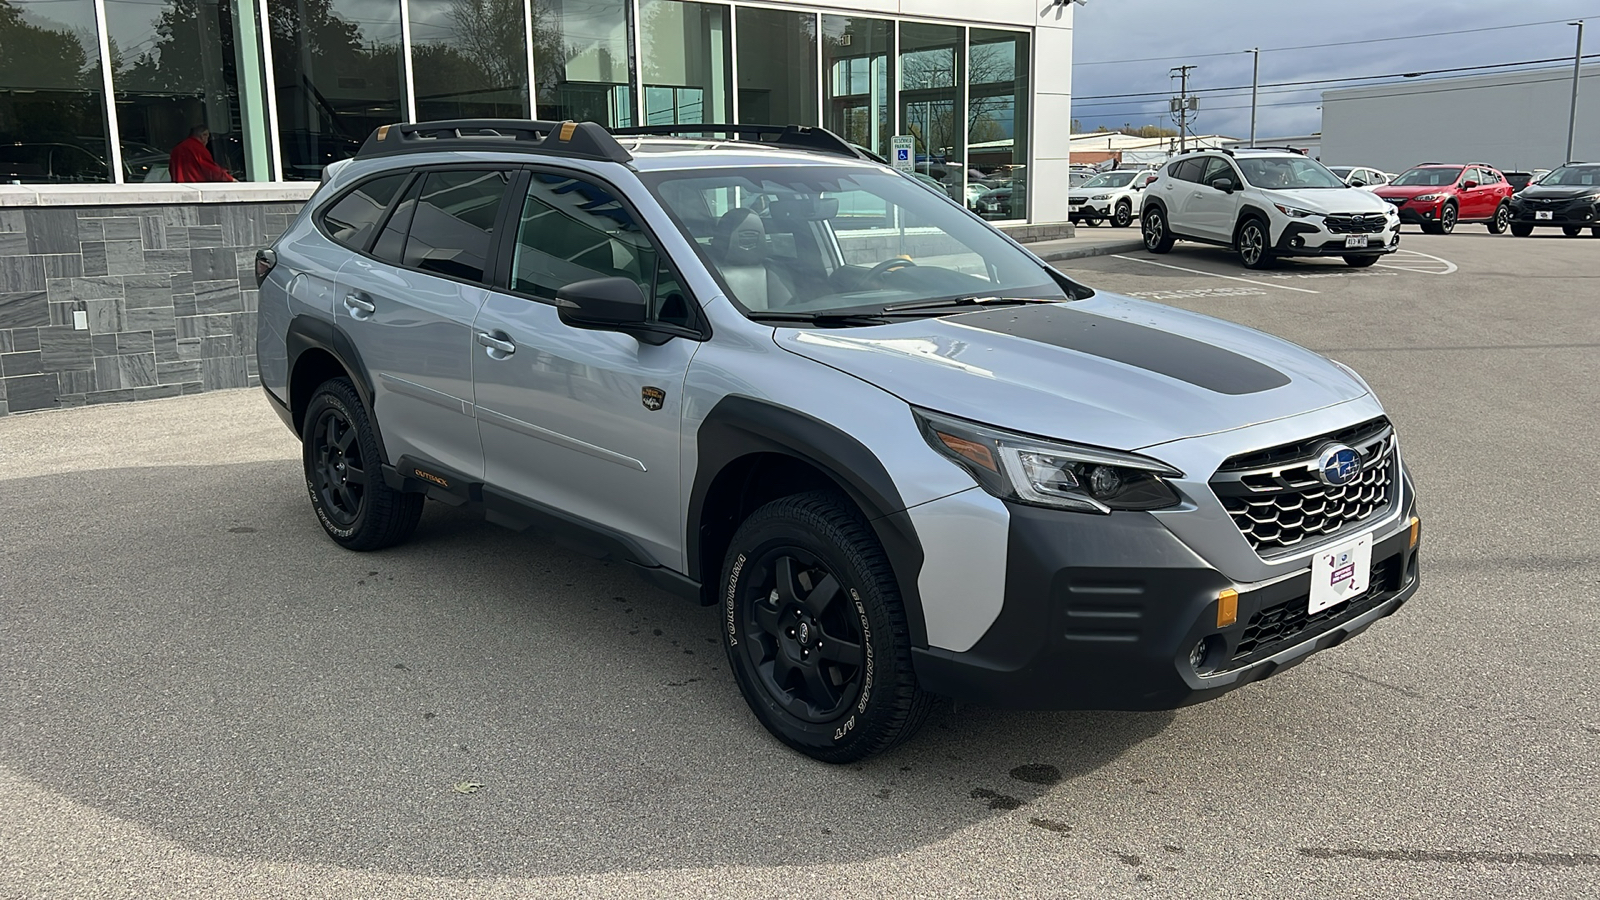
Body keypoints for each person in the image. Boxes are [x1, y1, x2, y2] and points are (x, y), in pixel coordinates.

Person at [168, 126, 234, 183]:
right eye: (207, 137)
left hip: (179, 188)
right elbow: (211, 170)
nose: (207, 141)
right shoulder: (199, 149)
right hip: (196, 188)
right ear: (203, 136)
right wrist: (229, 178)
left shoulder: (176, 149)